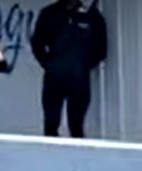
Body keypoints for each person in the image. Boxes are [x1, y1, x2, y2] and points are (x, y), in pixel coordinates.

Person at [30, 0, 108, 138]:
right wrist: (49, 64)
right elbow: (37, 43)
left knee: (77, 126)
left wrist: (82, 65)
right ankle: (51, 157)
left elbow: (101, 49)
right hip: (54, 78)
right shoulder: (48, 13)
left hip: (79, 79)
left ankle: (78, 158)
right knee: (51, 124)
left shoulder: (92, 16)